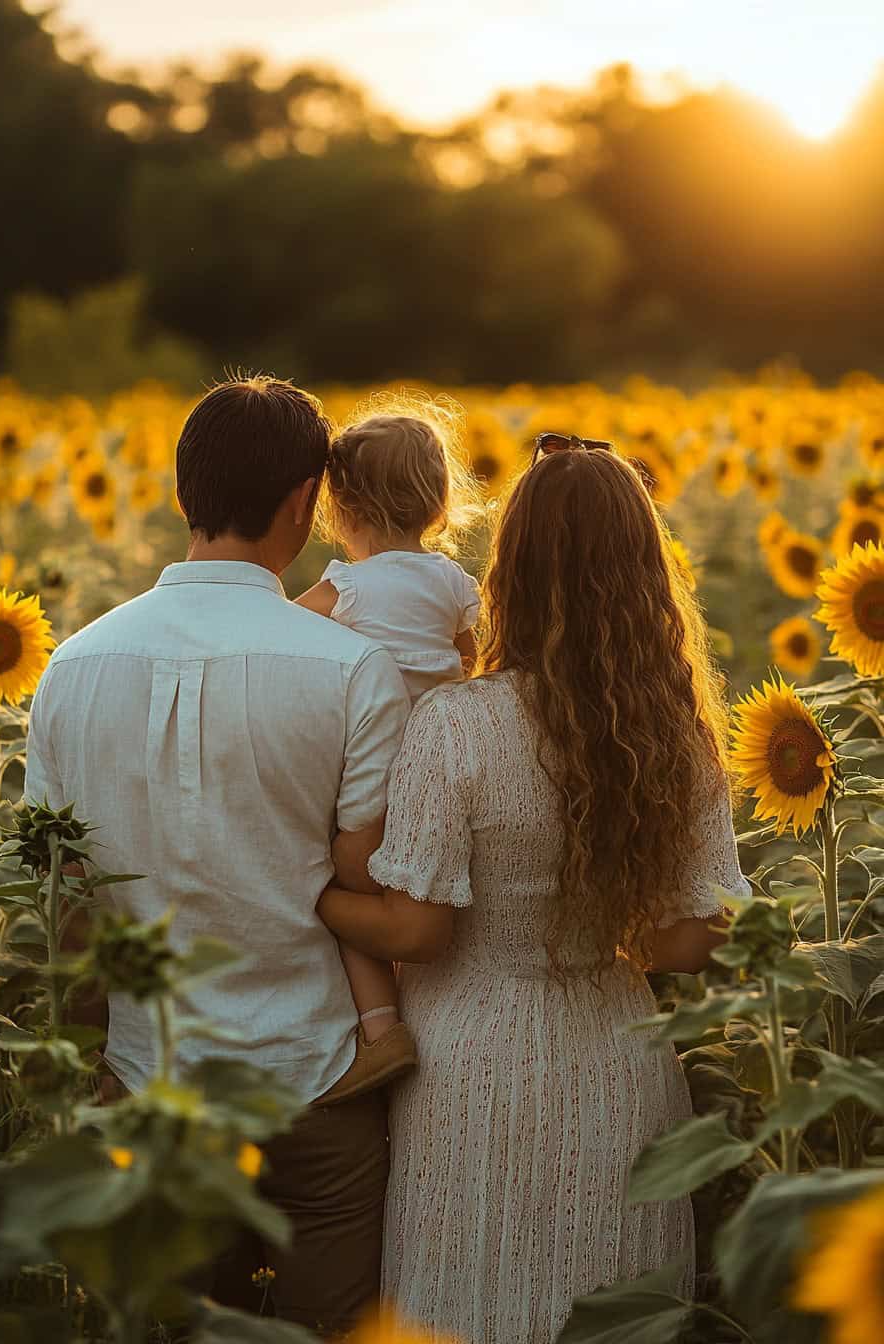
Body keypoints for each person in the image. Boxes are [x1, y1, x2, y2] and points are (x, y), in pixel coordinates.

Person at [317, 438, 750, 1344]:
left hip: (467, 1073)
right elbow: (689, 940)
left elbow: (418, 931)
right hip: (617, 1065)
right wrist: (598, 913)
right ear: (646, 573)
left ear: (510, 566)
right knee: (615, 1316)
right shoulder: (678, 737)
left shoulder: (458, 726)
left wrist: (312, 894)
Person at [24, 375, 416, 1334]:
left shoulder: (71, 669)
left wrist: (90, 1056)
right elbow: (376, 875)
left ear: (179, 493)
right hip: (320, 1078)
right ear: (301, 504)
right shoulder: (351, 668)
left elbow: (56, 897)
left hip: (153, 1084)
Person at [296, 406, 482, 1104]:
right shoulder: (453, 583)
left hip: (371, 778)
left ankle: (379, 1029)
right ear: (438, 504)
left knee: (341, 875)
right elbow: (475, 665)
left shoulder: (346, 586)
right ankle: (397, 1014)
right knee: (410, 887)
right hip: (441, 778)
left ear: (340, 507)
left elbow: (280, 633)